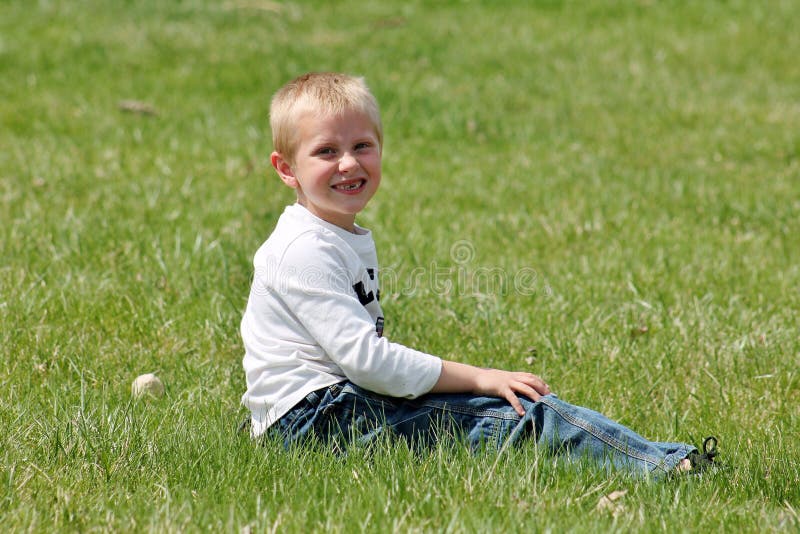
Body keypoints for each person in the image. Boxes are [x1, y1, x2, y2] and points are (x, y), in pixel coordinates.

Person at [239, 72, 718, 476]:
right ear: (286, 169)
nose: (349, 163)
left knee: (494, 411)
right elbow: (368, 361)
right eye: (326, 151)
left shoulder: (333, 232)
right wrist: (480, 377)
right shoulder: (304, 249)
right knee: (521, 416)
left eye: (362, 145)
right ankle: (664, 465)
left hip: (324, 410)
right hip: (321, 420)